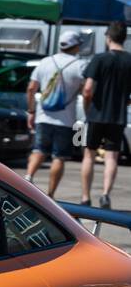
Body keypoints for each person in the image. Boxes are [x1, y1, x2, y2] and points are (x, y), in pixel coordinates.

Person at [26, 30, 87, 198]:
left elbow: (31, 88)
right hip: (66, 120)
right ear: (76, 46)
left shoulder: (45, 61)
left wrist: (31, 111)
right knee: (59, 157)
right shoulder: (80, 65)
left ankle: (28, 177)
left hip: (42, 116)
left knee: (38, 151)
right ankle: (50, 195)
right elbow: (86, 91)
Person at [80, 20, 131, 208]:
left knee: (89, 155)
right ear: (124, 39)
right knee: (112, 157)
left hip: (95, 115)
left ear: (108, 37)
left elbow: (87, 89)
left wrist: (87, 107)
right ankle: (105, 194)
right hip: (118, 117)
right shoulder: (129, 61)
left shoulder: (99, 59)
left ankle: (85, 197)